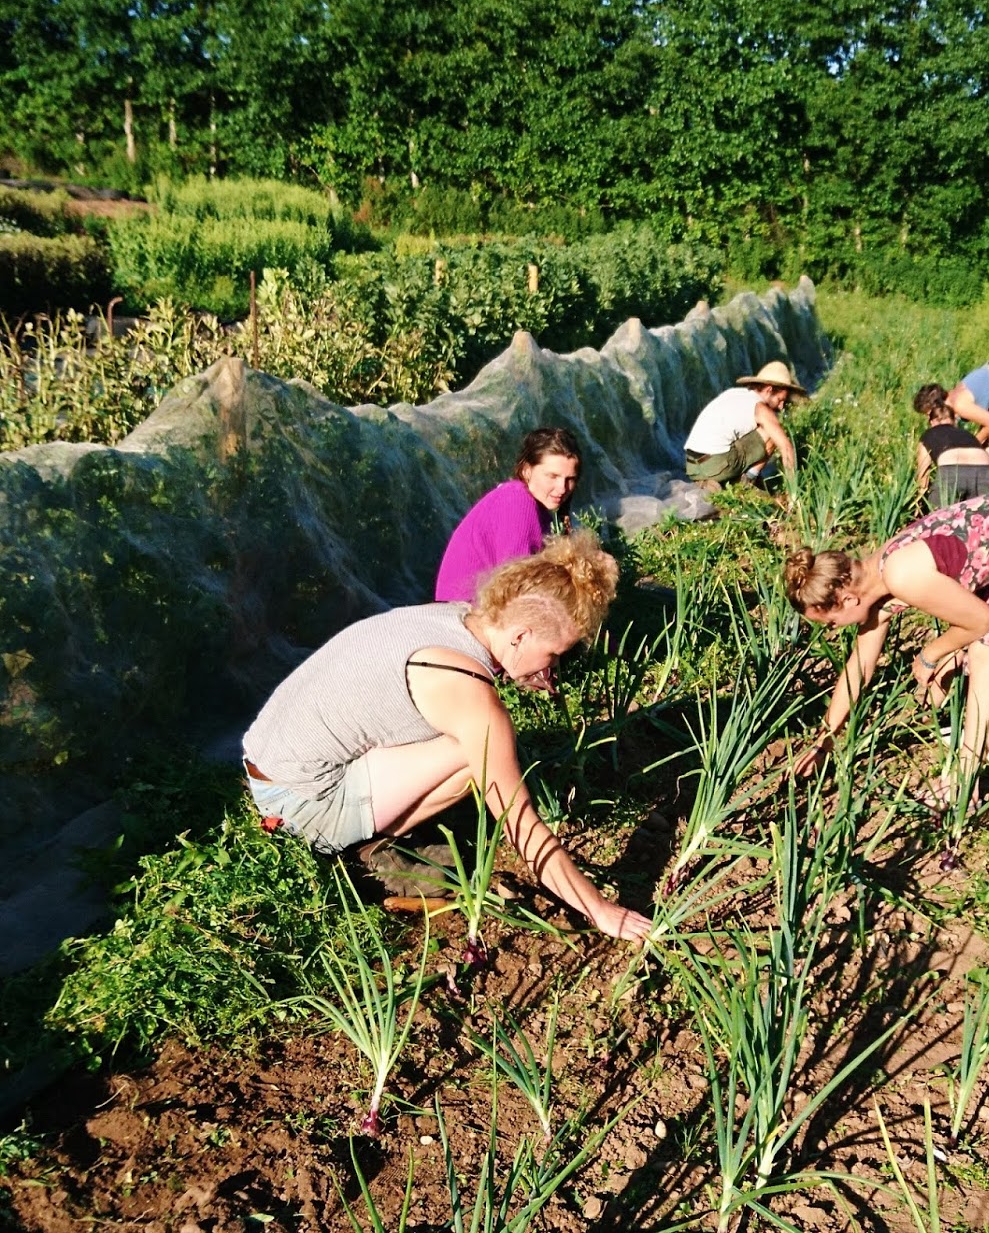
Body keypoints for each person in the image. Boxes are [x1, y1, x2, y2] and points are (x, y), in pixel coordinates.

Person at [243, 532, 649, 941]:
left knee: (479, 744)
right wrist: (601, 910)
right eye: (554, 654)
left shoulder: (454, 618)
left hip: (266, 761)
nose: (553, 668)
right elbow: (520, 823)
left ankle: (369, 828)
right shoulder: (467, 690)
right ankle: (363, 850)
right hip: (299, 803)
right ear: (521, 635)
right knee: (473, 752)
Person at [783, 484, 989, 818]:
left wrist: (931, 653)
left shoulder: (903, 574)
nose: (832, 630)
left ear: (846, 600)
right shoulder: (879, 577)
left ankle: (962, 781)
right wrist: (822, 742)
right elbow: (858, 668)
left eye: (829, 622)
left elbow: (982, 621)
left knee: (986, 653)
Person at [436, 428, 582, 603]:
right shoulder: (518, 501)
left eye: (570, 479)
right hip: (463, 613)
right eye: (552, 476)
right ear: (527, 470)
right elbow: (517, 587)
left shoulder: (534, 508)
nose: (562, 488)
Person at [683, 360, 807, 488]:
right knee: (771, 432)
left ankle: (718, 480)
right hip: (715, 466)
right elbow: (786, 448)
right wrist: (793, 489)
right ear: (769, 390)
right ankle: (747, 482)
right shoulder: (761, 409)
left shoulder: (733, 393)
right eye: (780, 400)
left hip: (692, 467)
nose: (781, 407)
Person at [914, 397, 989, 508]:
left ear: (932, 422)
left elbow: (923, 474)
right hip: (983, 468)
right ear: (954, 421)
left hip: (951, 469)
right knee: (981, 515)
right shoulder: (965, 433)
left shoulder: (928, 435)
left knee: (940, 515)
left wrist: (919, 500)